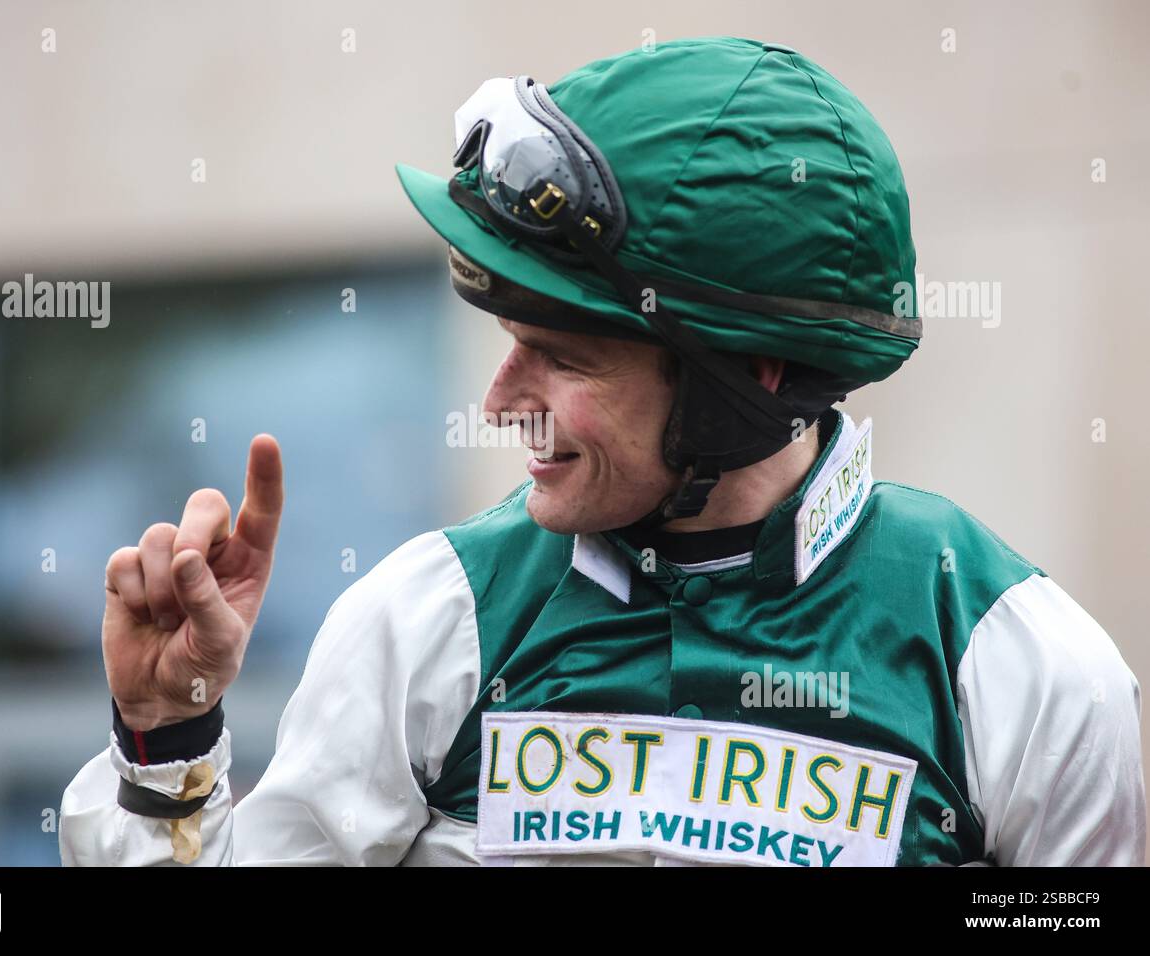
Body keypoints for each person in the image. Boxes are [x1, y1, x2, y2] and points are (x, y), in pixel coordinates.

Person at [60, 36, 1145, 866]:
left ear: (749, 374)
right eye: (506, 344)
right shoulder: (428, 617)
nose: (498, 399)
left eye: (559, 357)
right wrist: (166, 739)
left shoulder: (1016, 662)